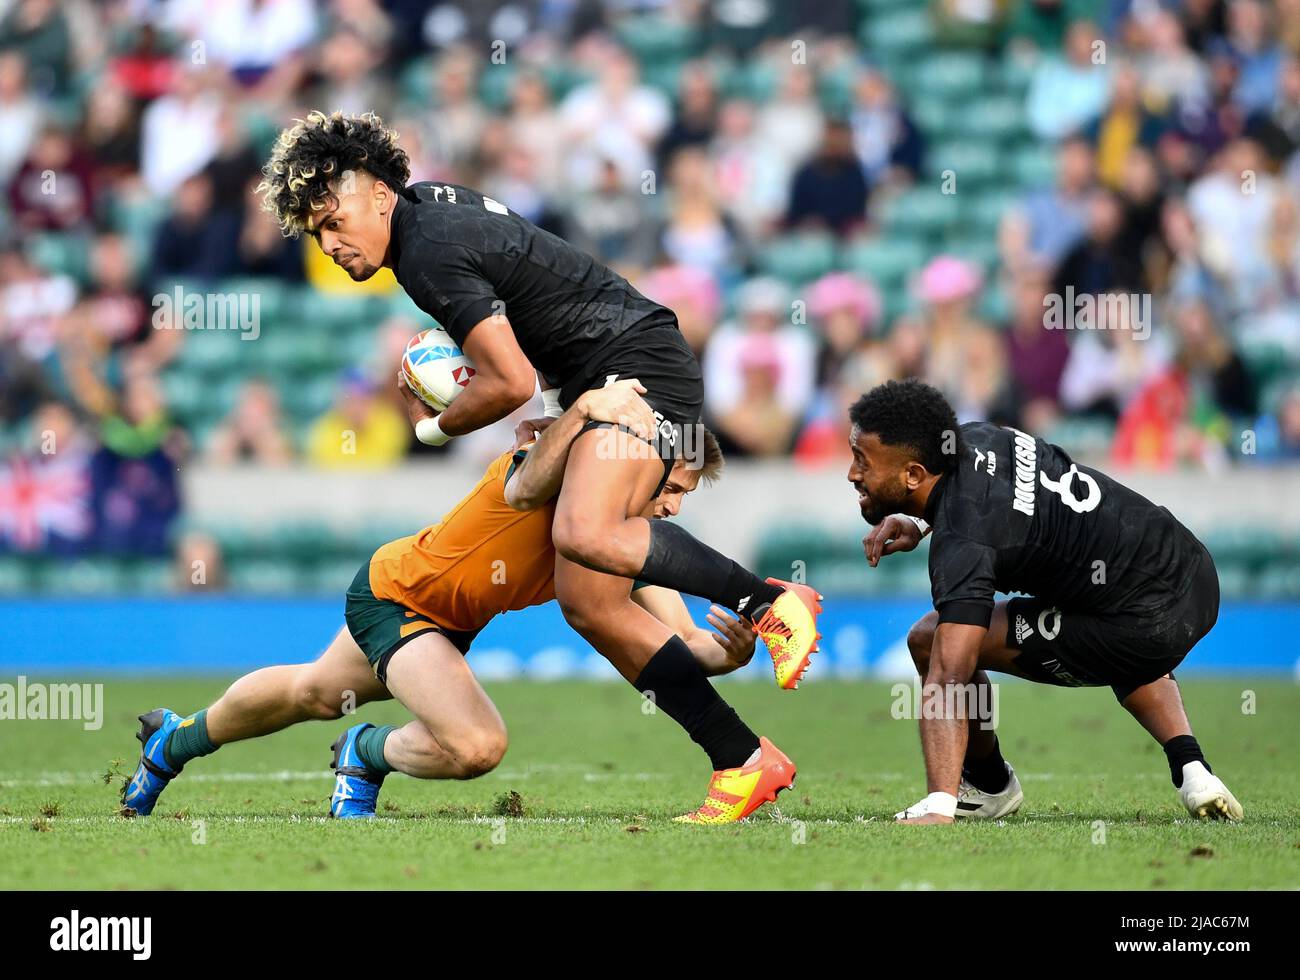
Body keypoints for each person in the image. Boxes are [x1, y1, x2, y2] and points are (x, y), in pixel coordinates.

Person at [254, 113, 823, 806]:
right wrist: (560, 412)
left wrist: (434, 427)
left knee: (584, 533)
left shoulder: (425, 249)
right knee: (589, 604)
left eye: (333, 219)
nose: (330, 243)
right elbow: (536, 320)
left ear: (376, 191)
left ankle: (770, 601)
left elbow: (508, 381)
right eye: (316, 233)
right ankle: (741, 759)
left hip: (635, 371)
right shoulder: (427, 213)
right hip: (600, 377)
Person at [123, 383, 796, 825]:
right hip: (397, 597)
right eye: (672, 484)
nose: (673, 505)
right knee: (477, 746)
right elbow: (530, 467)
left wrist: (724, 654)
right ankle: (367, 751)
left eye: (685, 495)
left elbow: (671, 644)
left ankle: (171, 742)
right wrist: (587, 408)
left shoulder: (614, 544)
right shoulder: (558, 474)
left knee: (312, 691)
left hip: (433, 617)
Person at [848, 379, 1243, 825]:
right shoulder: (976, 437)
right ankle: (1192, 768)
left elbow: (949, 672)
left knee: (929, 640)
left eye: (862, 461)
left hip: (1145, 620)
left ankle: (989, 786)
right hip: (1191, 569)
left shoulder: (964, 541)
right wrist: (921, 524)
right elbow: (987, 499)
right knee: (1101, 608)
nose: (852, 474)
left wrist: (938, 804)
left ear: (914, 475)